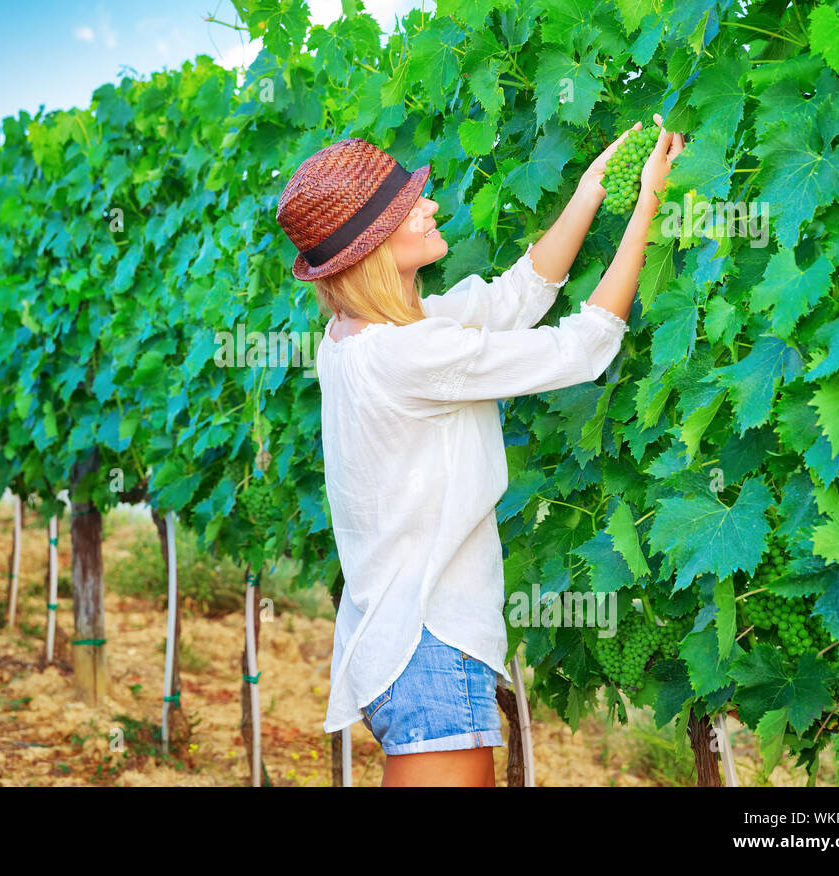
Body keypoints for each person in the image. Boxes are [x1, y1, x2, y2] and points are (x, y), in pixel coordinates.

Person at [274, 116, 685, 786]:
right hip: (430, 645)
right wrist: (648, 206)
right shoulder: (407, 353)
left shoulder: (352, 338)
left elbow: (511, 299)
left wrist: (590, 191)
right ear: (378, 245)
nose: (430, 203)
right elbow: (583, 346)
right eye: (410, 206)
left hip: (406, 645)